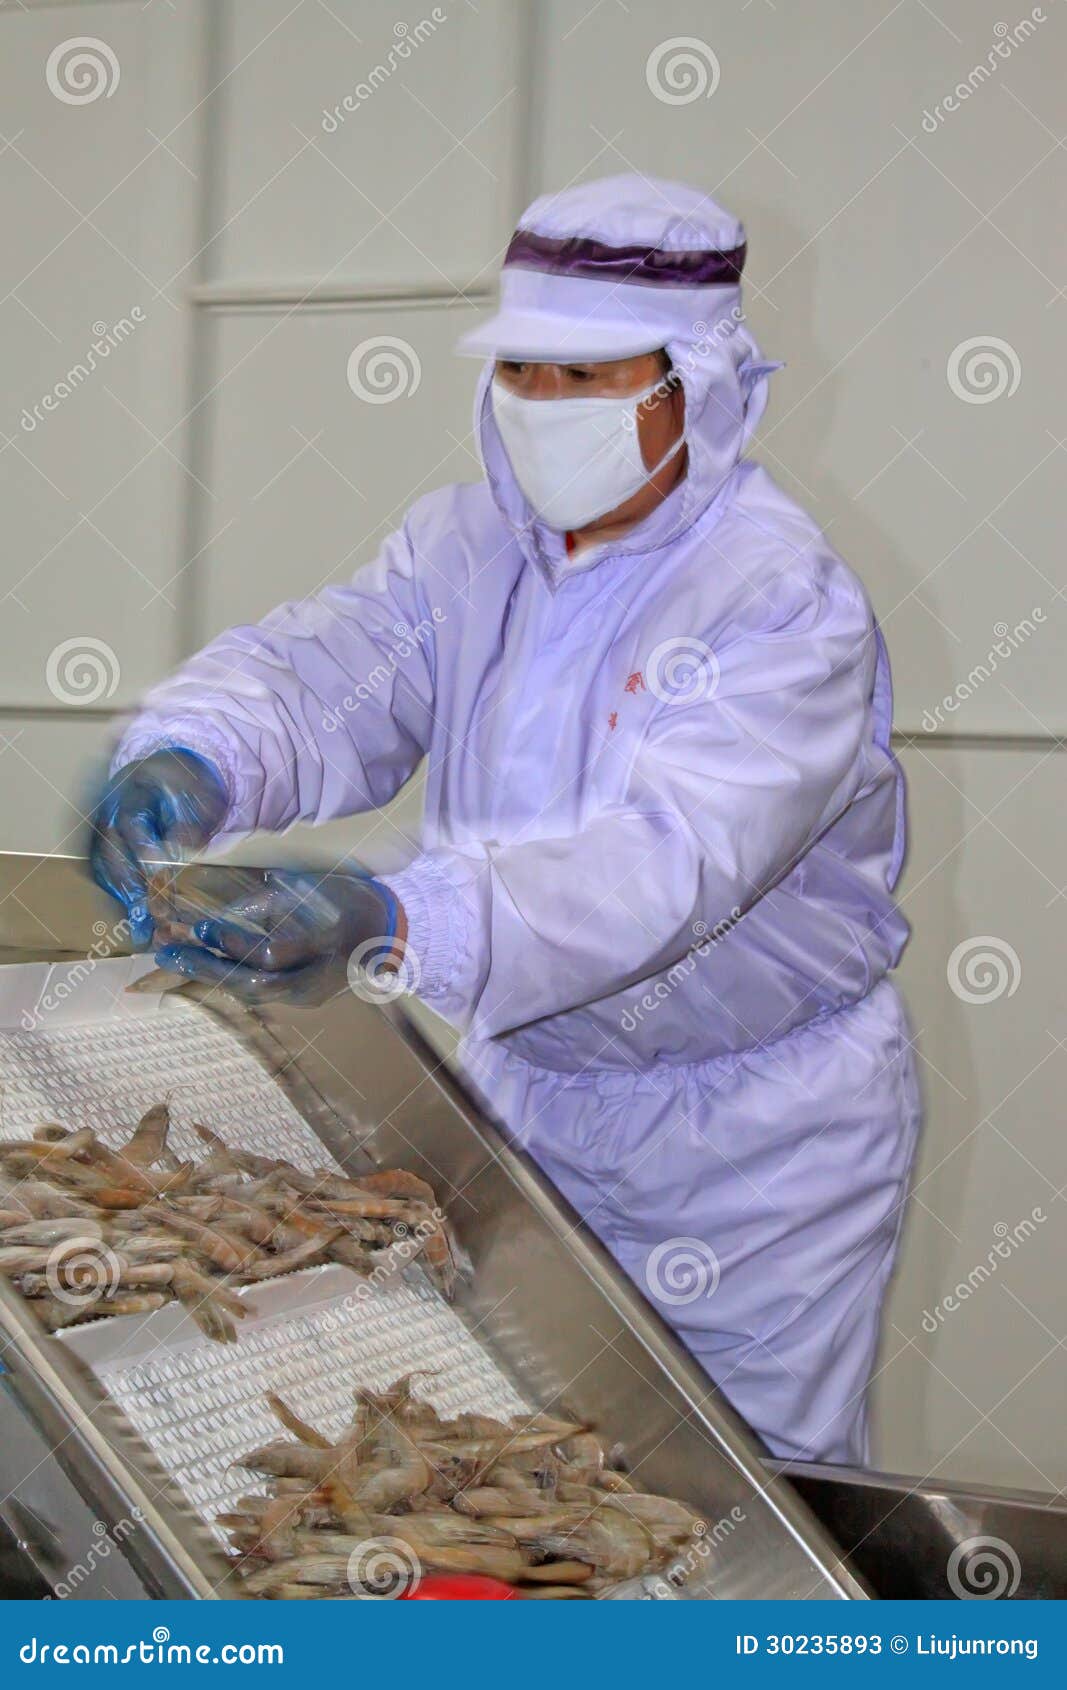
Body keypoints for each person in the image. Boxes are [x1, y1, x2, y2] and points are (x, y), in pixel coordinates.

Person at [89, 175, 921, 1466]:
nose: (544, 408)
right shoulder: (465, 546)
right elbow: (332, 671)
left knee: (739, 1510)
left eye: (585, 379)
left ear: (687, 384)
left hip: (754, 1159)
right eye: (524, 371)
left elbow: (671, 864)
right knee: (508, 1488)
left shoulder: (777, 598)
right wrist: (196, 754)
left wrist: (401, 913)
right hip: (521, 1101)